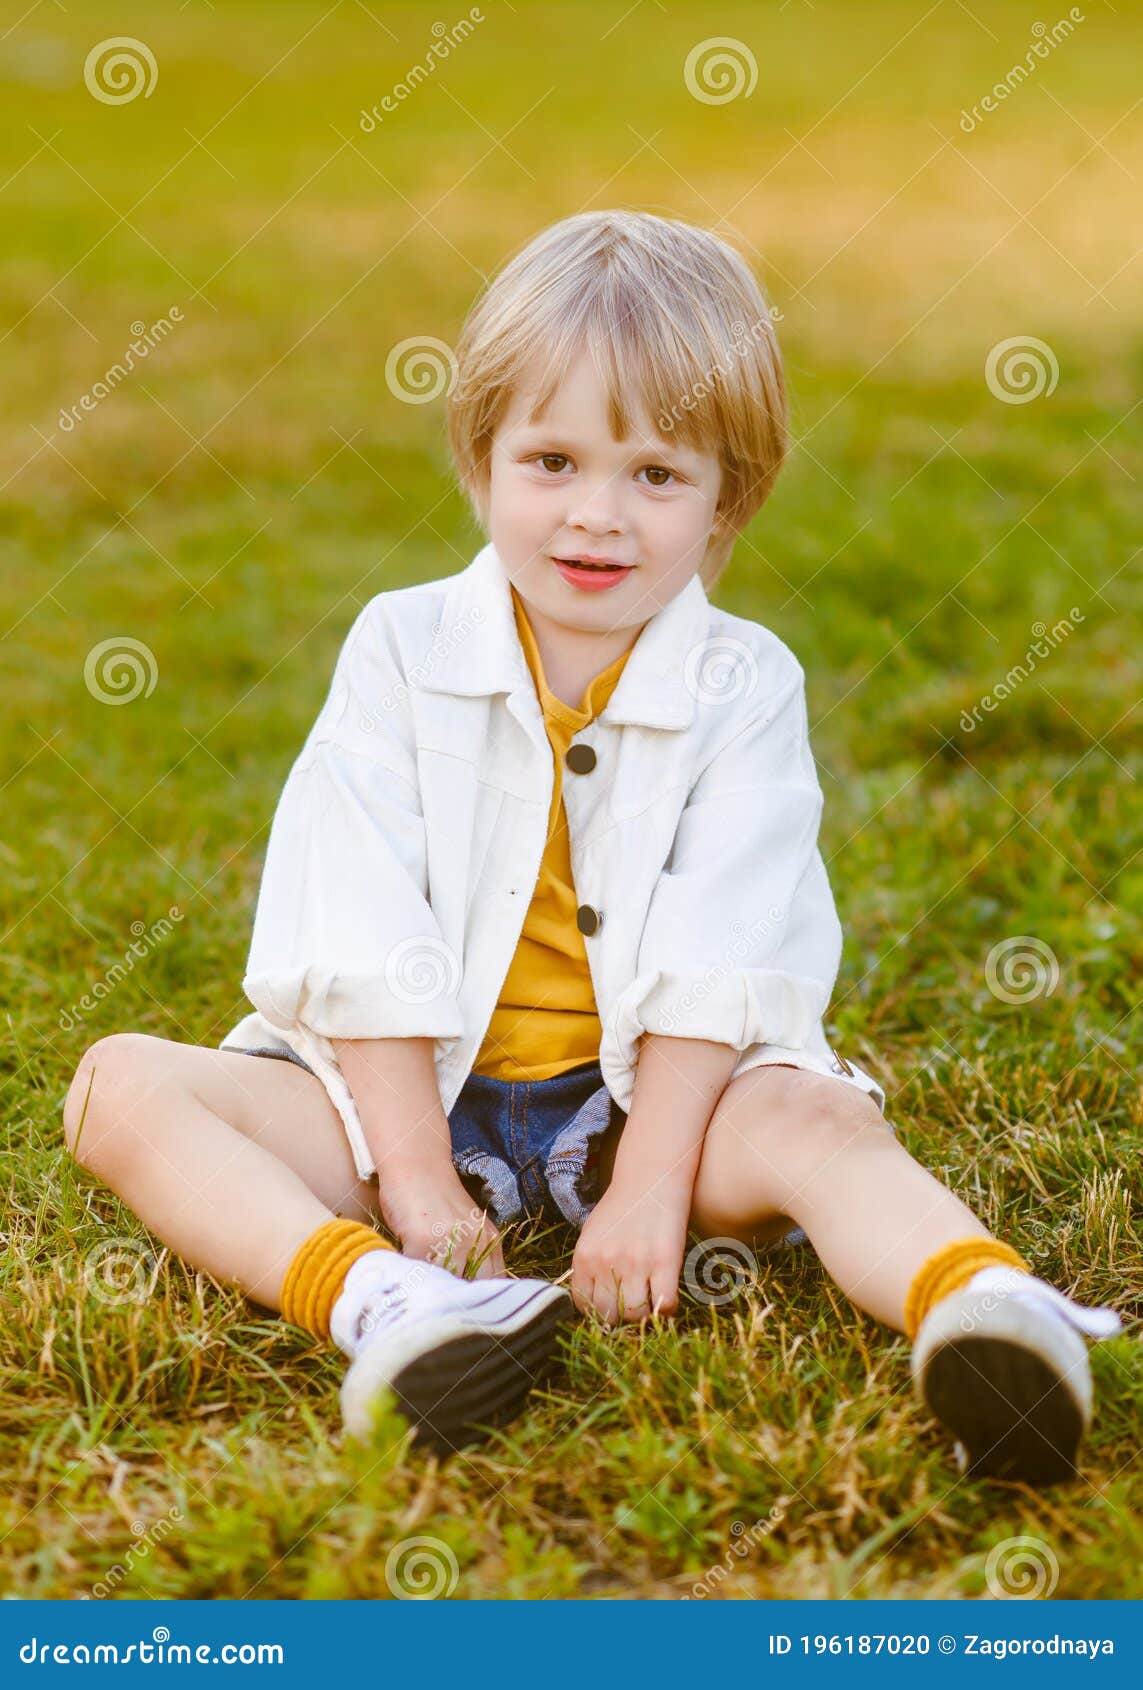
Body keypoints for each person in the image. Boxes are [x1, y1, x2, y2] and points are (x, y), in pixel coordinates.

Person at [63, 209, 1121, 1477]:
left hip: (640, 1104)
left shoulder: (746, 681)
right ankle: (390, 1307)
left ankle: (981, 1305)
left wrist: (652, 1187)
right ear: (481, 459)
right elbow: (358, 924)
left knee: (818, 1120)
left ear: (731, 498)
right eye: (552, 461)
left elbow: (720, 952)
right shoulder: (402, 650)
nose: (596, 518)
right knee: (119, 1085)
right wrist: (415, 1189)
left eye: (657, 475)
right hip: (415, 1099)